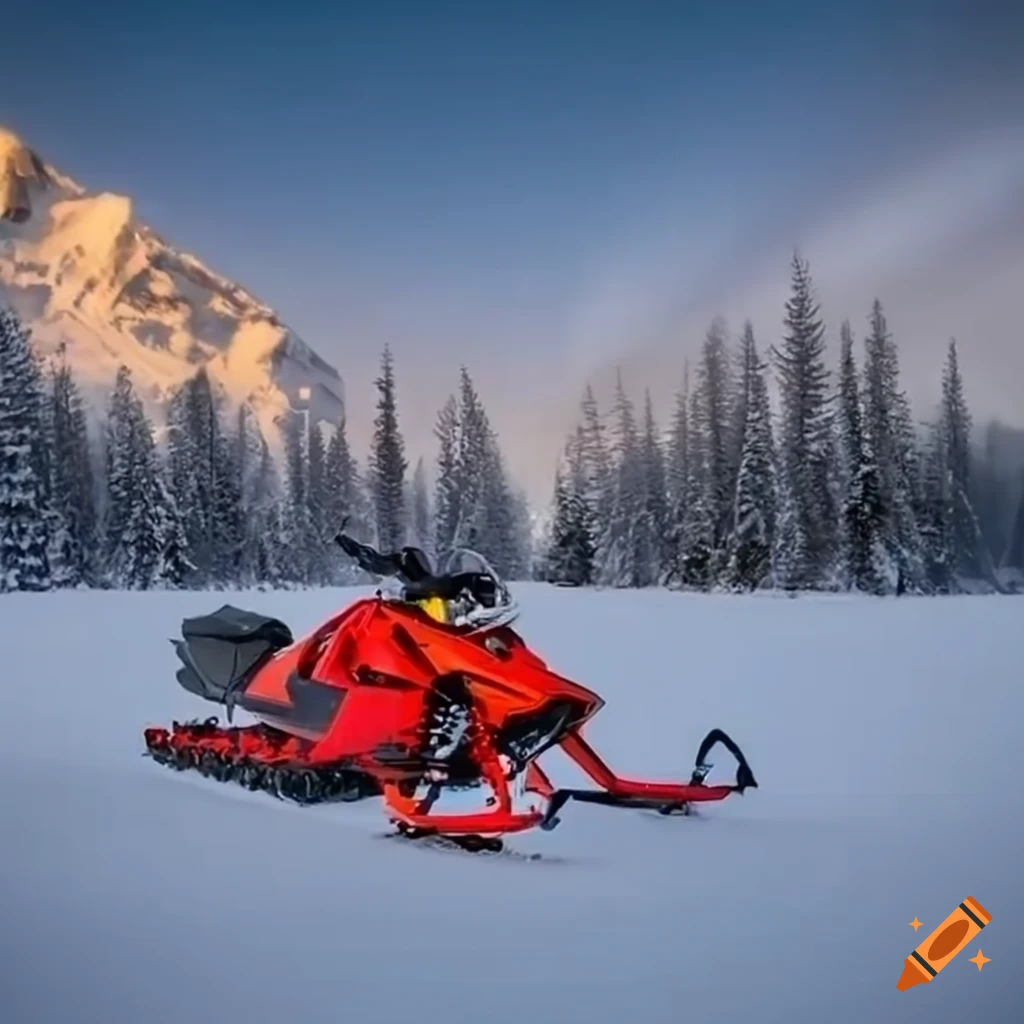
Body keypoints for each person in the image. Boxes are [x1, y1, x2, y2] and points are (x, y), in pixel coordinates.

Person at [333, 529, 519, 629]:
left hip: (436, 614)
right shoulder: (400, 567)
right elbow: (379, 564)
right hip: (412, 620)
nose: (407, 559)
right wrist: (356, 551)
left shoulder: (427, 572)